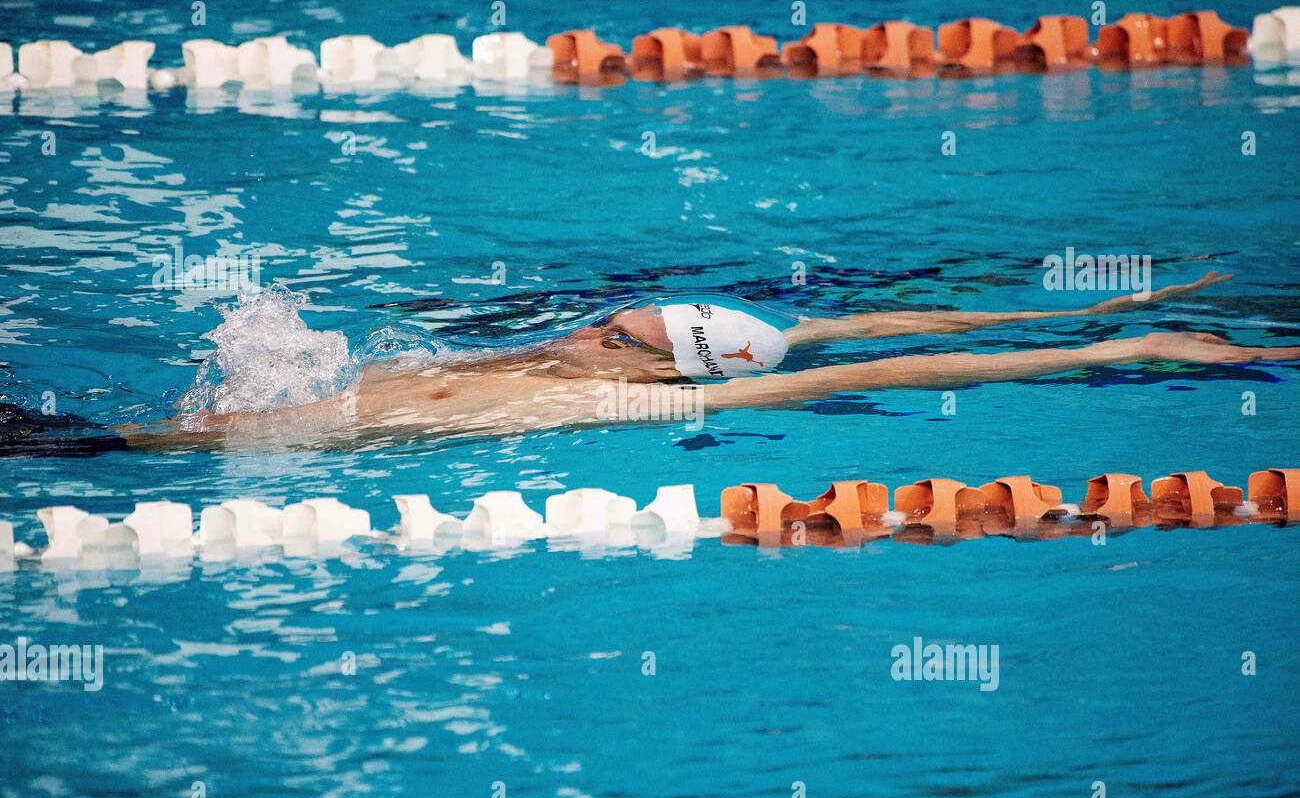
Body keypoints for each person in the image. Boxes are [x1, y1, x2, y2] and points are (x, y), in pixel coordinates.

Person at [7, 270, 1299, 455]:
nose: (584, 326)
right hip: (237, 422)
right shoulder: (578, 361)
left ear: (645, 361)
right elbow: (845, 332)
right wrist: (1139, 297)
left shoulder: (630, 397)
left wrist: (1127, 346)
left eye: (611, 328)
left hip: (168, 456)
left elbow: (850, 371)